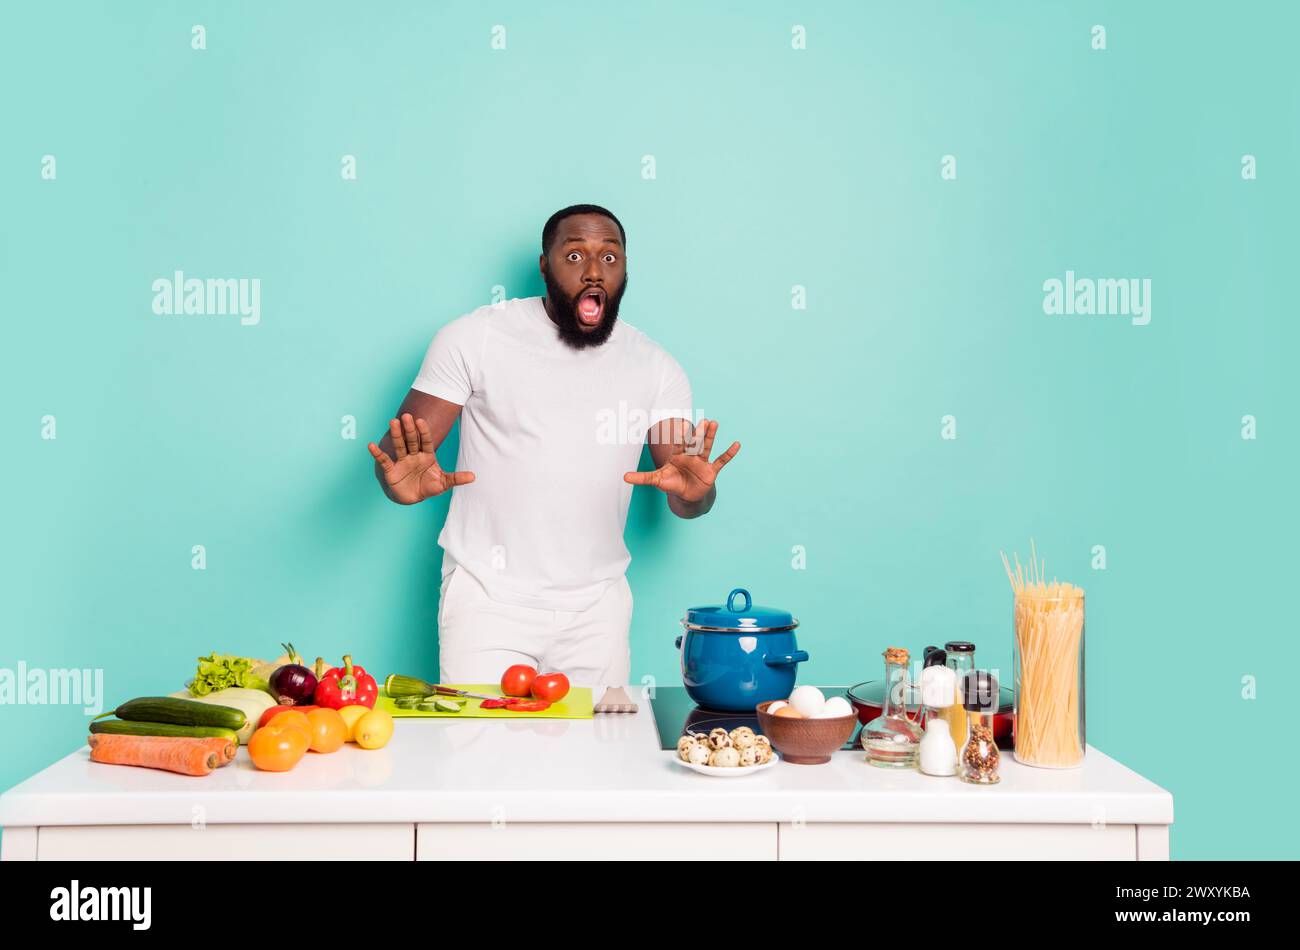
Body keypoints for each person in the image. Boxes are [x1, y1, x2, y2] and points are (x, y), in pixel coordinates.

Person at [368, 204, 740, 689]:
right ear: (544, 265)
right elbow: (394, 462)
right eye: (574, 255)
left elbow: (688, 494)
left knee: (594, 759)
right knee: (475, 757)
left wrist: (697, 493)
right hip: (486, 598)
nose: (592, 271)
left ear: (626, 268)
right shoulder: (474, 337)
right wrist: (397, 481)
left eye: (609, 258)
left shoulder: (659, 368)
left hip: (597, 609)